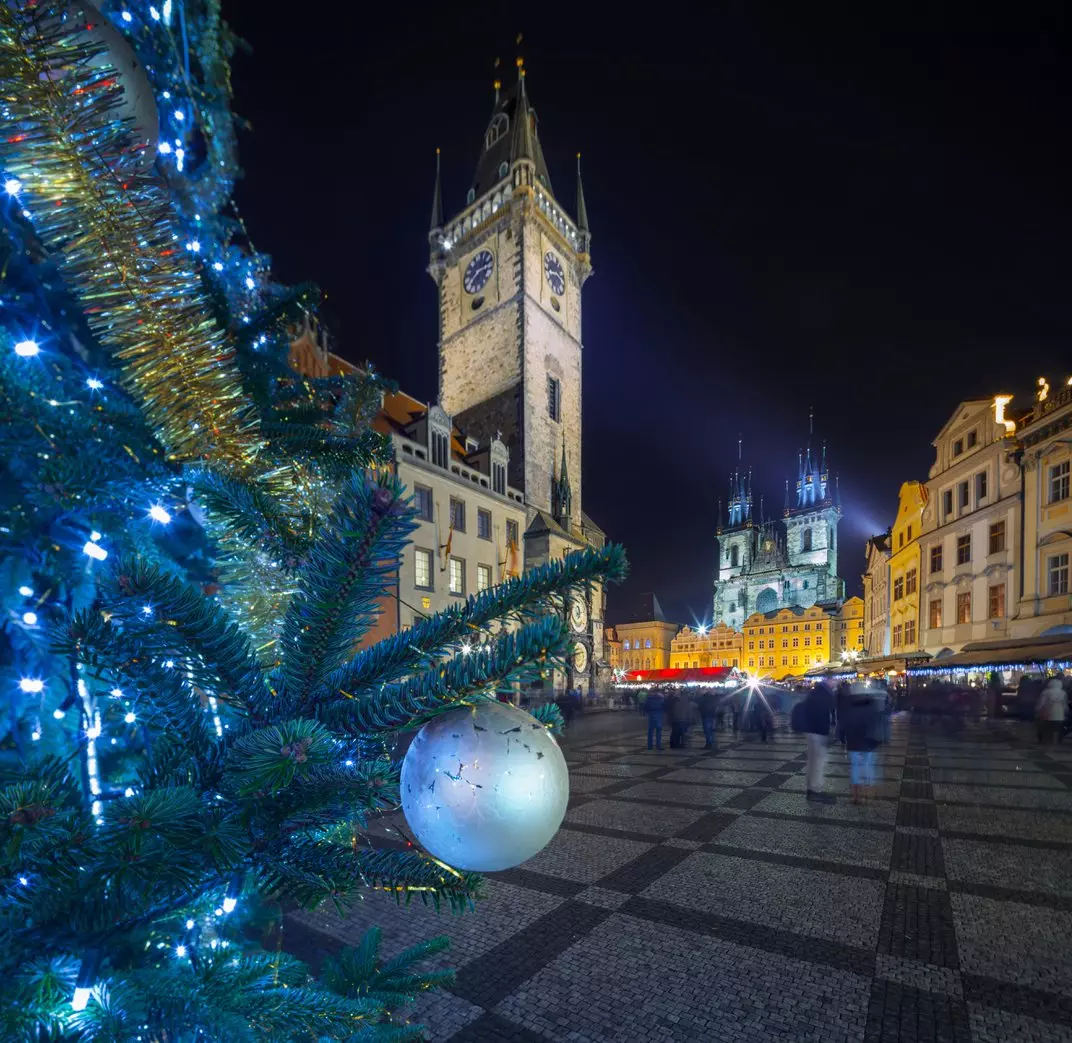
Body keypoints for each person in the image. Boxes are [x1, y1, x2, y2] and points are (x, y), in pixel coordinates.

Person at [841, 684, 883, 804]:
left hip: (853, 743)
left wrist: (843, 739)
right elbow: (876, 723)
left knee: (855, 768)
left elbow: (842, 725)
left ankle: (856, 796)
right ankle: (868, 794)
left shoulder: (848, 706)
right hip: (868, 743)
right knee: (868, 768)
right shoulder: (871, 706)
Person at [799, 680, 836, 804]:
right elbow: (824, 713)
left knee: (813, 762)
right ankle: (816, 791)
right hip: (817, 732)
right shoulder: (823, 694)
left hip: (812, 731)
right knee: (818, 764)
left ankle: (812, 789)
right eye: (834, 680)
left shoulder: (815, 692)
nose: (835, 683)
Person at [1036, 676, 1068, 744]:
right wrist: (1065, 712)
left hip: (1047, 713)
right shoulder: (1063, 693)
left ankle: (1045, 740)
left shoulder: (1046, 692)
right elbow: (1065, 705)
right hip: (1059, 715)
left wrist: (1037, 709)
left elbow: (1041, 703)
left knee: (1045, 727)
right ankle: (1056, 741)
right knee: (1057, 729)